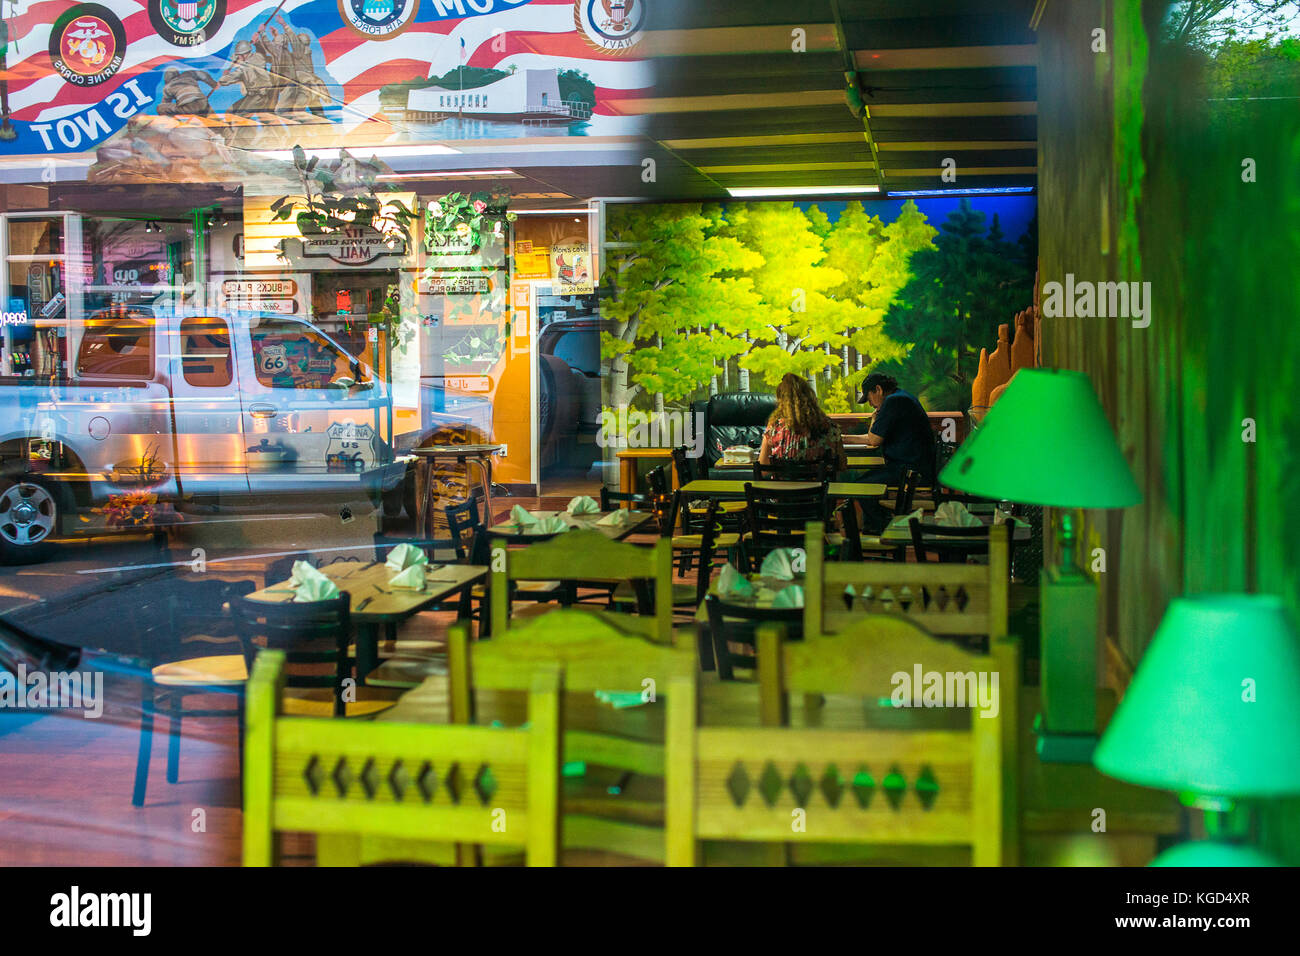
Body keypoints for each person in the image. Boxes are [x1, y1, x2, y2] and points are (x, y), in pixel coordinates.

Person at [844, 372, 936, 532]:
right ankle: (876, 526)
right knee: (863, 483)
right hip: (911, 466)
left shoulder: (893, 401)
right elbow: (873, 437)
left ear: (878, 389)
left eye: (869, 398)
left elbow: (874, 440)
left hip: (910, 470)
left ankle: (885, 528)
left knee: (861, 487)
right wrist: (844, 438)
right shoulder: (900, 397)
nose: (870, 404)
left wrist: (873, 420)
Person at [758, 373, 847, 473]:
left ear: (781, 401)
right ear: (810, 396)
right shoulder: (830, 428)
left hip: (782, 487)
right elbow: (842, 465)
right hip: (820, 487)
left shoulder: (774, 429)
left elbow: (763, 468)